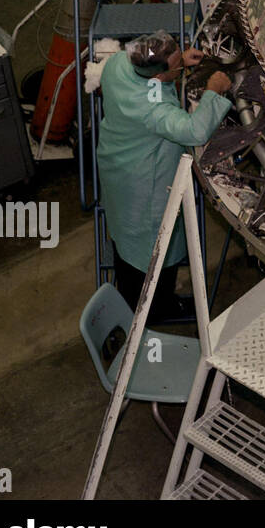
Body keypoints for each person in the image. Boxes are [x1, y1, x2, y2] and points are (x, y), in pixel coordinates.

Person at [97, 32, 233, 320]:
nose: (181, 68)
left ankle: (134, 301)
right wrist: (213, 92)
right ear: (157, 77)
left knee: (126, 244)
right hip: (146, 189)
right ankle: (153, 311)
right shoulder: (152, 109)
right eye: (176, 68)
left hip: (118, 168)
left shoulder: (118, 64)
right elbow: (194, 130)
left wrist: (177, 61)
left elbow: (154, 85)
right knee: (154, 251)